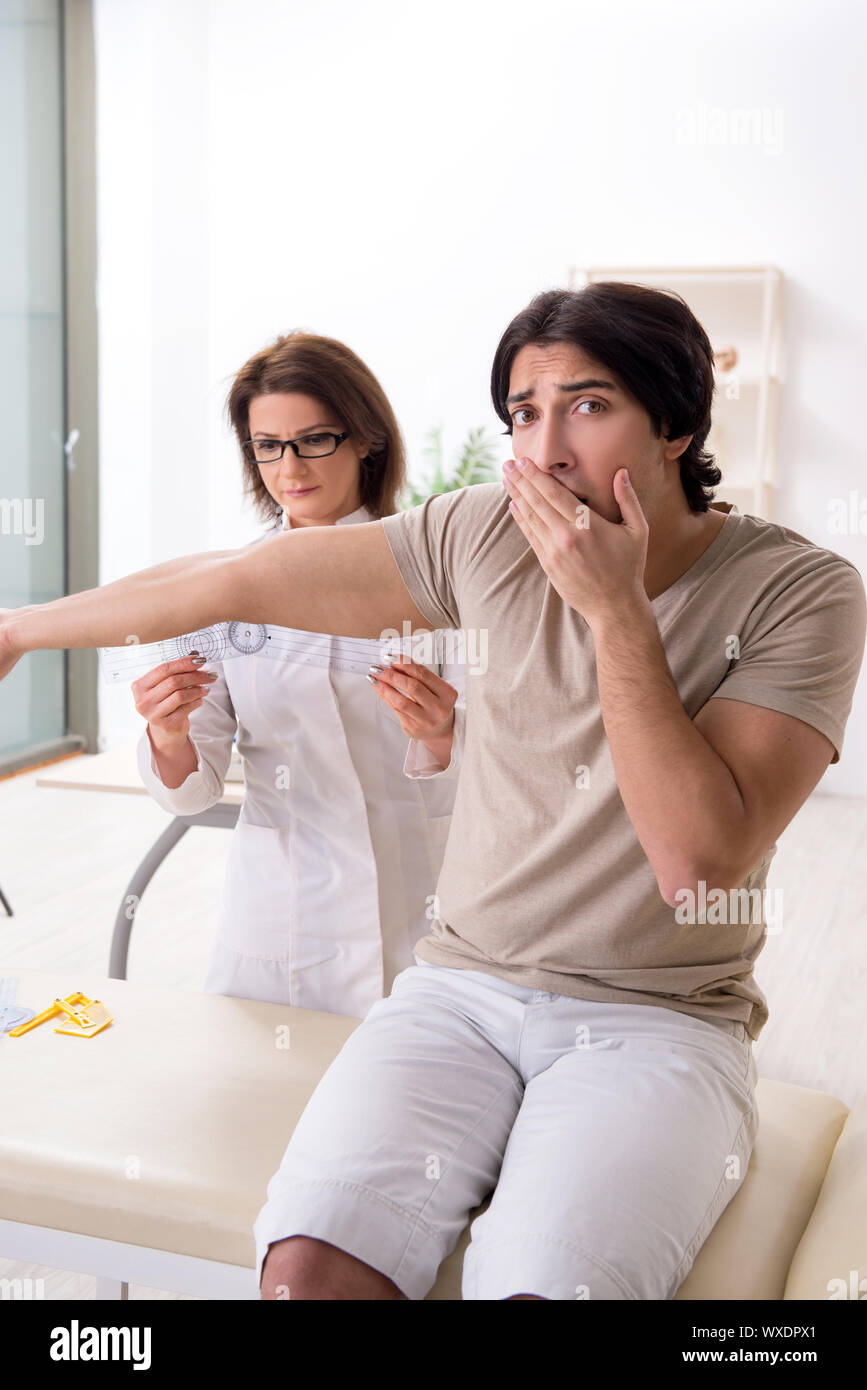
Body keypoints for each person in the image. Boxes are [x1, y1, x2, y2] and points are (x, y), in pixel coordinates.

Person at [2, 282, 864, 1301]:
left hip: (657, 1018)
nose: (545, 450)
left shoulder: (802, 593)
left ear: (675, 422)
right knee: (308, 1270)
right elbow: (228, 580)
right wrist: (21, 627)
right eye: (523, 414)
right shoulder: (482, 535)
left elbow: (697, 860)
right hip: (459, 992)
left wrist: (614, 611)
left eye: (587, 406)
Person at [133, 331, 466, 1016]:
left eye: (314, 439)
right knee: (259, 1111)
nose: (290, 466)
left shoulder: (440, 582)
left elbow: (513, 767)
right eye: (267, 445)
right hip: (282, 916)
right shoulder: (223, 591)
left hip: (421, 902)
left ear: (365, 437)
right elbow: (192, 796)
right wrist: (168, 736)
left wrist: (440, 736)